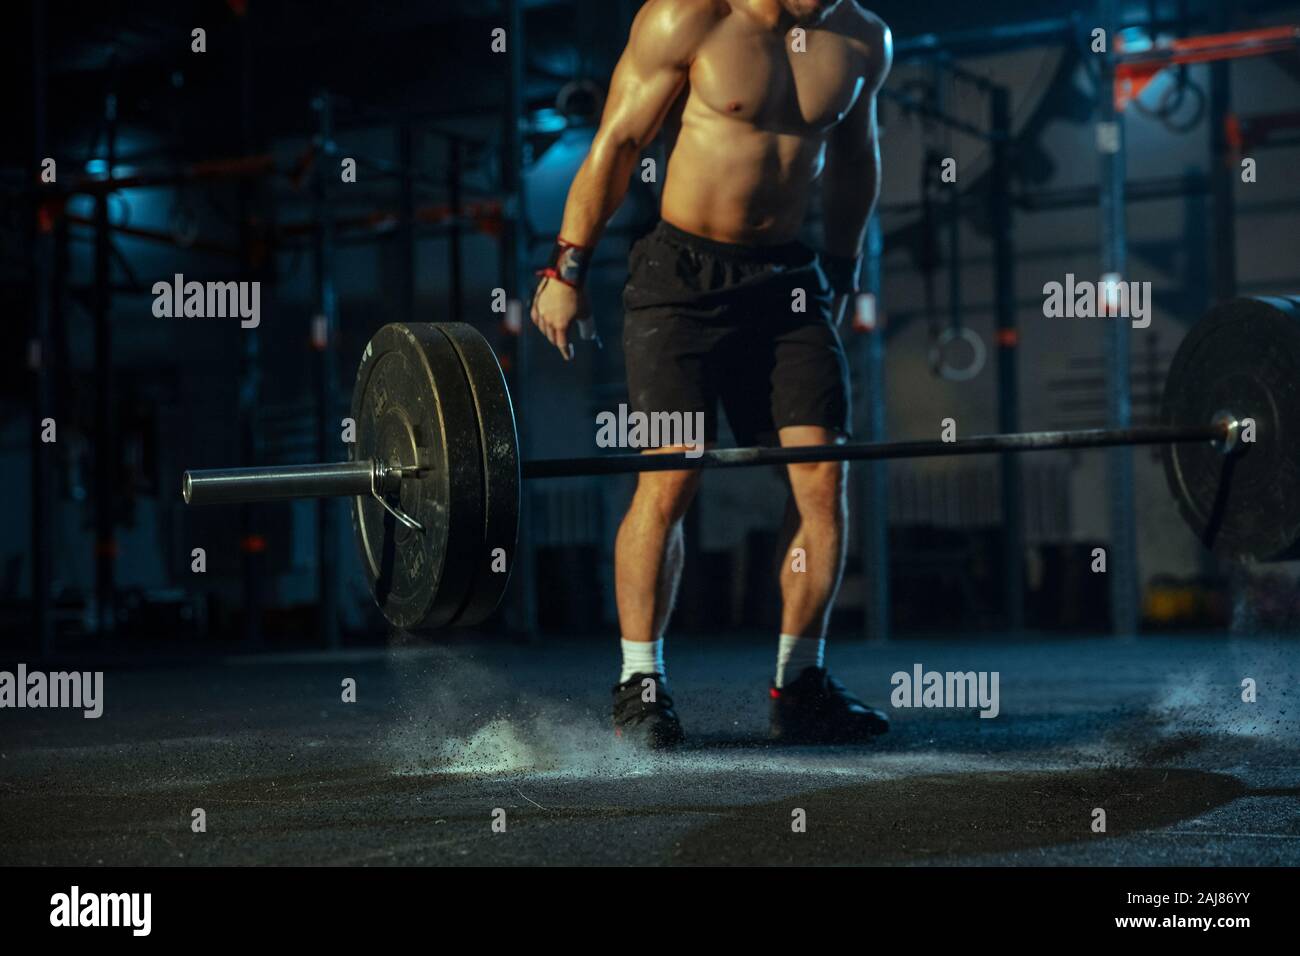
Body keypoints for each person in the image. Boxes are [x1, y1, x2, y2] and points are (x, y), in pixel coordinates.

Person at [530, 0, 892, 748]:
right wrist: (566, 265)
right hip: (680, 279)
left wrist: (844, 263)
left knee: (822, 478)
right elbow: (620, 139)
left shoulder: (862, 38)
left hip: (789, 285)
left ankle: (799, 686)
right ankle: (641, 684)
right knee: (671, 475)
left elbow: (856, 156)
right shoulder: (687, 17)